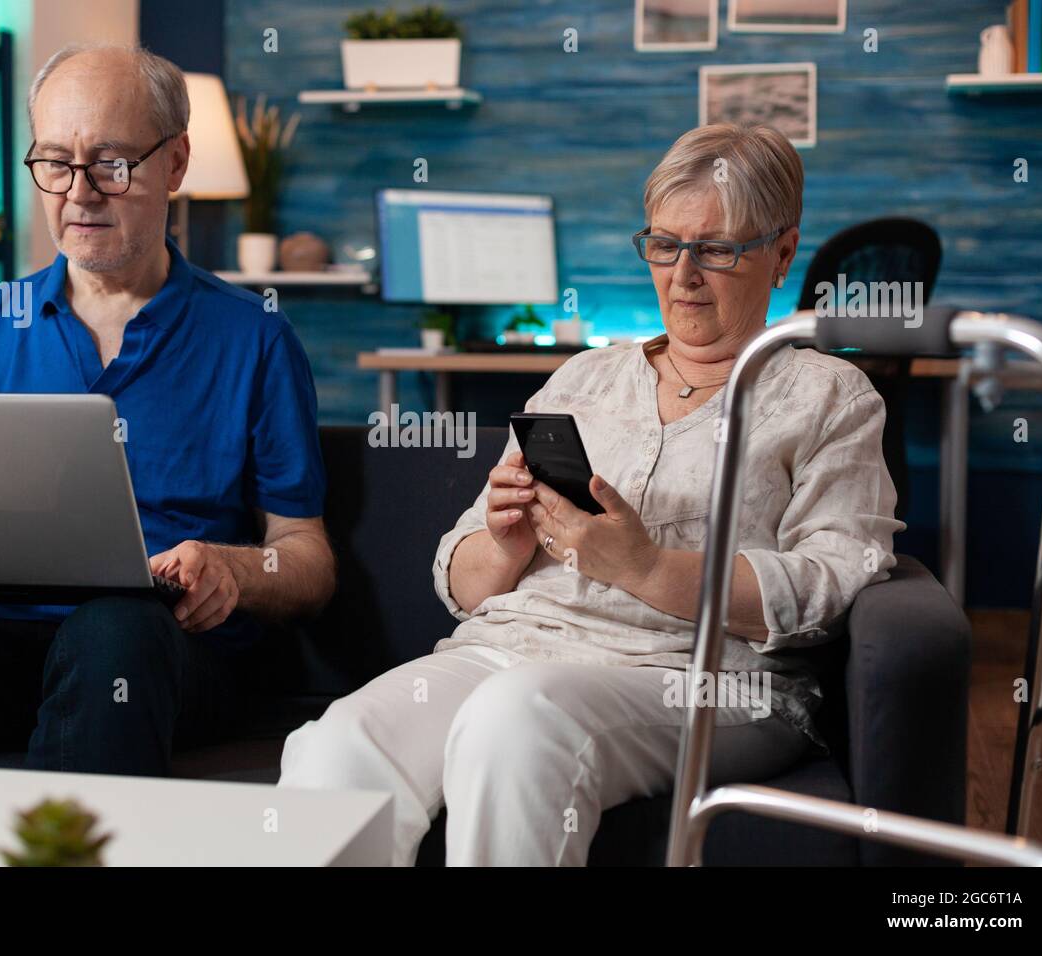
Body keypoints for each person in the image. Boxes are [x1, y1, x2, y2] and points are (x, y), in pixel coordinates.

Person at [279, 124, 904, 866]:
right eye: (664, 245)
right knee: (339, 744)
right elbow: (466, 583)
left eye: (715, 249)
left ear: (783, 253)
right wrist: (505, 545)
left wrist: (646, 568)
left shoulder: (829, 396)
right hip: (509, 651)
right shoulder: (583, 378)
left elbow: (834, 584)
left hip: (699, 679)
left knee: (517, 720)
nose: (683, 275)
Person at [0, 43, 335, 776]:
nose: (79, 194)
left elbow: (307, 557)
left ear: (175, 163)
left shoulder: (255, 337)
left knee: (116, 629)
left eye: (111, 163)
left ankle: (63, 834)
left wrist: (234, 567)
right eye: (54, 162)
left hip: (150, 652)